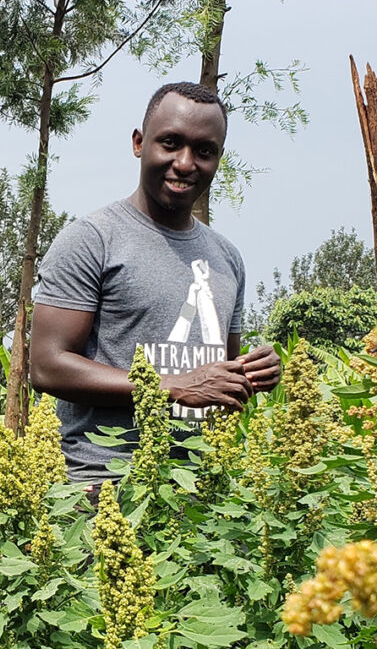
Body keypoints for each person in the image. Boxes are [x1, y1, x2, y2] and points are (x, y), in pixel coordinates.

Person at [29, 82, 282, 490]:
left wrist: (254, 374)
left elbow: (218, 385)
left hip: (202, 492)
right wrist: (174, 387)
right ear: (138, 143)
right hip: (104, 487)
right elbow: (46, 365)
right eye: (170, 143)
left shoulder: (227, 258)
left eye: (204, 151)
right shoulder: (93, 239)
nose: (185, 163)